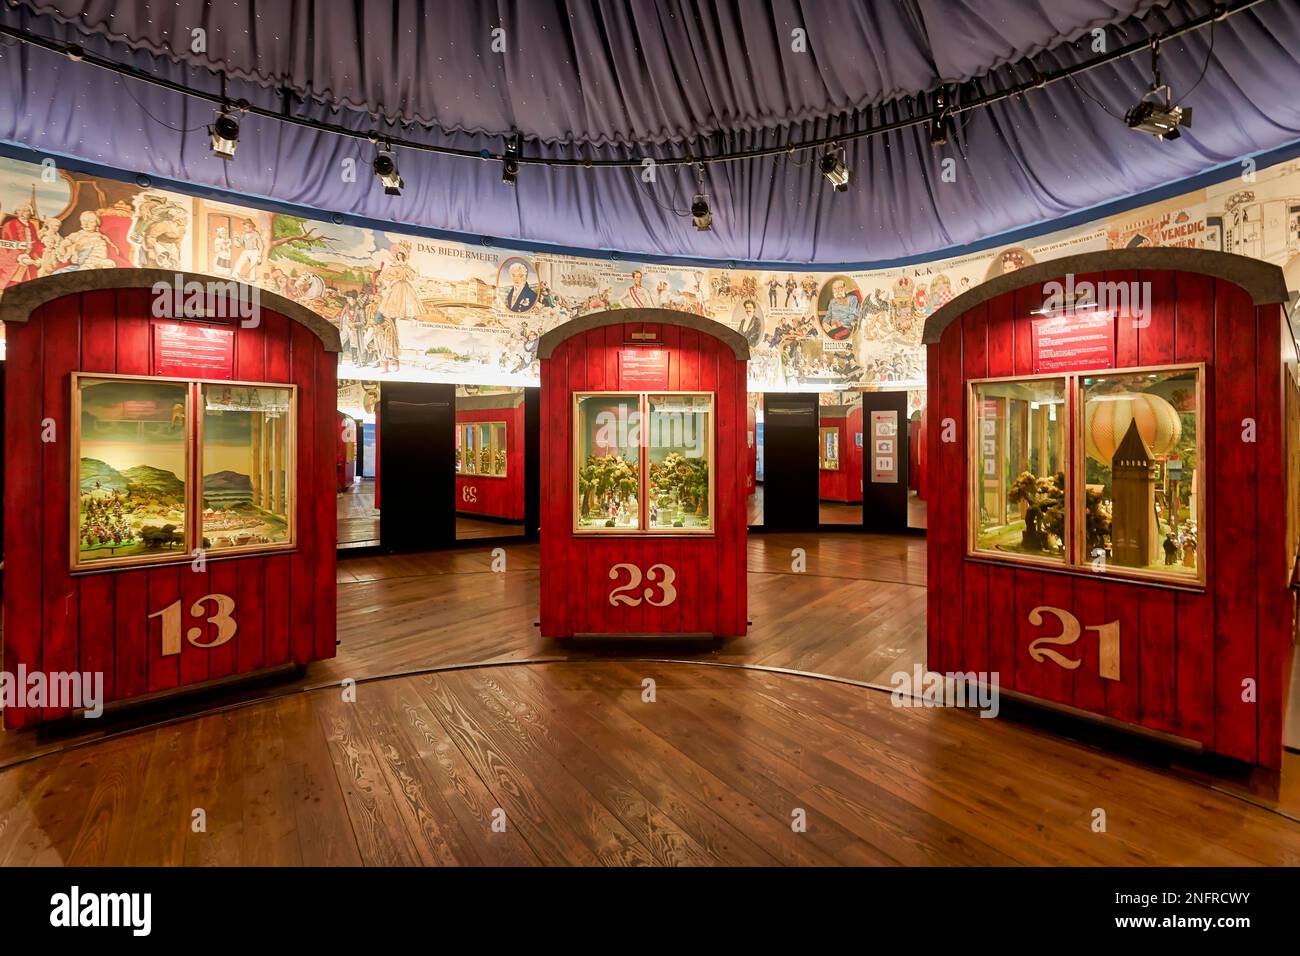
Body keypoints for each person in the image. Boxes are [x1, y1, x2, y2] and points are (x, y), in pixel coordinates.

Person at [54, 211, 119, 272]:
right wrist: (64, 246)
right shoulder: (77, 235)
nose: (86, 224)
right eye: (84, 221)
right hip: (76, 265)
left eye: (91, 222)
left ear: (96, 224)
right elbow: (66, 243)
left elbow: (96, 258)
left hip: (89, 266)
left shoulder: (98, 239)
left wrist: (85, 268)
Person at [0, 201, 43, 286]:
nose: (22, 213)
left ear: (30, 213)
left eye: (25, 211)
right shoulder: (10, 224)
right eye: (20, 210)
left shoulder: (31, 225)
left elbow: (36, 242)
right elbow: (8, 244)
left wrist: (40, 254)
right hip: (13, 256)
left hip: (31, 255)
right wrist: (21, 257)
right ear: (16, 212)